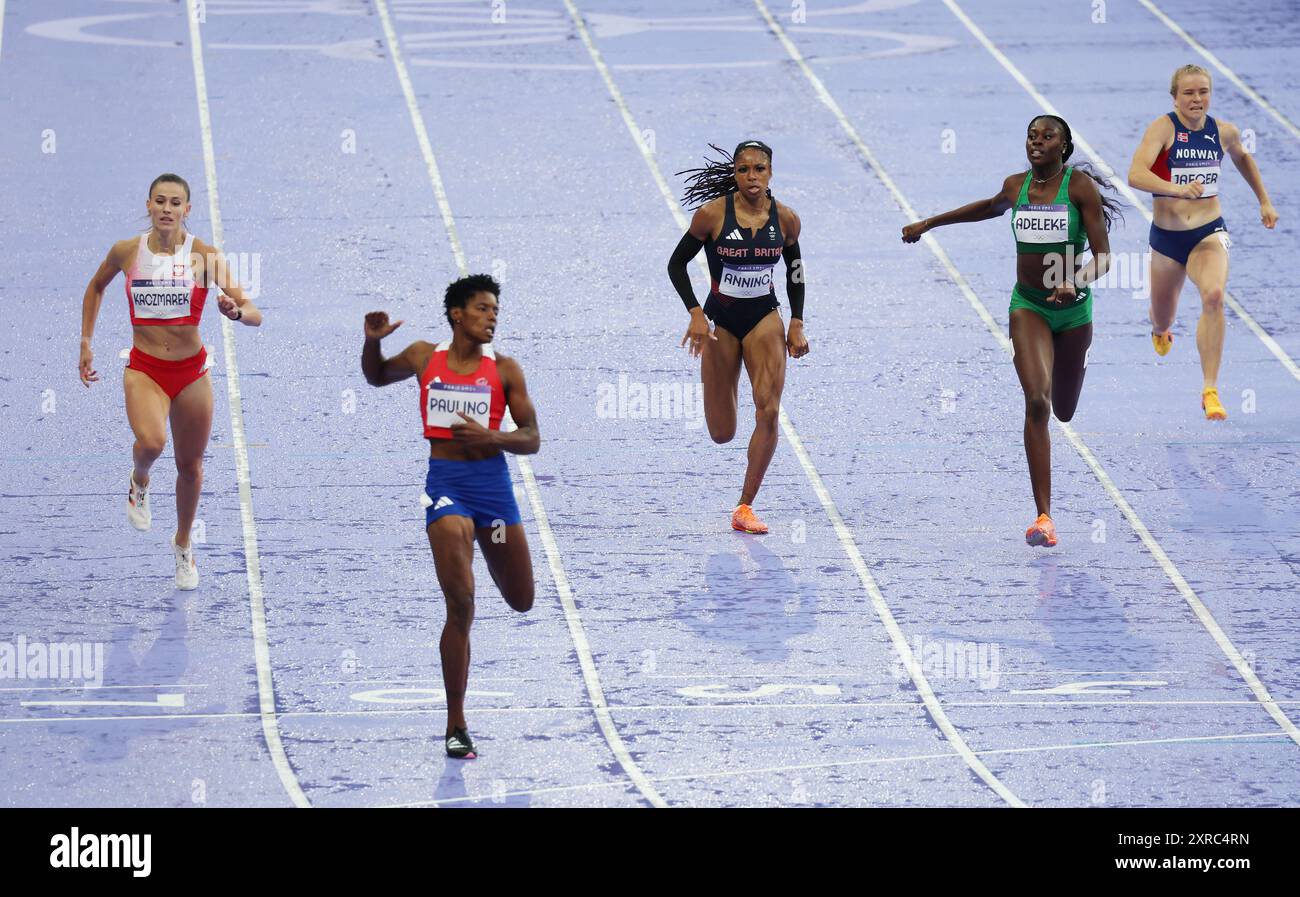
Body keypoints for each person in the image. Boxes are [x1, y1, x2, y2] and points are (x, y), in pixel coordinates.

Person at [902, 116, 1121, 547]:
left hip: (1074, 313)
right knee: (1037, 402)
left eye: (1047, 137)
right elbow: (986, 207)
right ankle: (1044, 517)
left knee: (1064, 409)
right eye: (1031, 136)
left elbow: (1105, 258)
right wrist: (928, 224)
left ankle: (1073, 360)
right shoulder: (1016, 186)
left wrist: (1075, 279)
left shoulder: (1078, 189)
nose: (1037, 143)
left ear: (1065, 146)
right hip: (1029, 308)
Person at [362, 274, 537, 759]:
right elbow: (375, 377)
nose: (492, 318)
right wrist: (372, 345)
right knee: (461, 603)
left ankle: (457, 716)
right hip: (447, 489)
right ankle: (456, 722)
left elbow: (532, 437)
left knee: (522, 600)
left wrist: (493, 438)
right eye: (483, 309)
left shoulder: (505, 370)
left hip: (494, 495)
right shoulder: (424, 357)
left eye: (495, 311)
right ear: (457, 314)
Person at [79, 173, 262, 588]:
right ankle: (139, 480)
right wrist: (86, 342)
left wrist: (235, 312)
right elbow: (95, 287)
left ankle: (182, 545)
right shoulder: (127, 252)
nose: (166, 208)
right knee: (151, 443)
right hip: (145, 369)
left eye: (174, 202)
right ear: (148, 205)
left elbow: (255, 312)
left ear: (186, 210)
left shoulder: (204, 256)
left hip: (191, 371)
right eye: (159, 201)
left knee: (190, 467)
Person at [667, 140, 808, 535]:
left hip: (765, 317)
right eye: (744, 169)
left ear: (770, 173)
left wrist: (796, 321)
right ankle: (723, 388)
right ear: (734, 173)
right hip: (721, 322)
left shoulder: (787, 220)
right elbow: (676, 264)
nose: (751, 176)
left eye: (759, 169)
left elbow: (795, 272)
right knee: (721, 432)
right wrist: (696, 312)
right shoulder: (711, 216)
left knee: (769, 410)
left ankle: (745, 506)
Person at [1127, 63, 1278, 420]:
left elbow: (1243, 158)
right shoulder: (1163, 129)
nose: (1197, 99)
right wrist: (1175, 188)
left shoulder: (1223, 132)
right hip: (1166, 238)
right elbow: (1135, 174)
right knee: (1162, 315)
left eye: (1203, 92)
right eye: (1189, 93)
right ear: (1175, 97)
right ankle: (1160, 330)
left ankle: (1210, 389)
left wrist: (1264, 200)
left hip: (1208, 233)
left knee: (1213, 295)